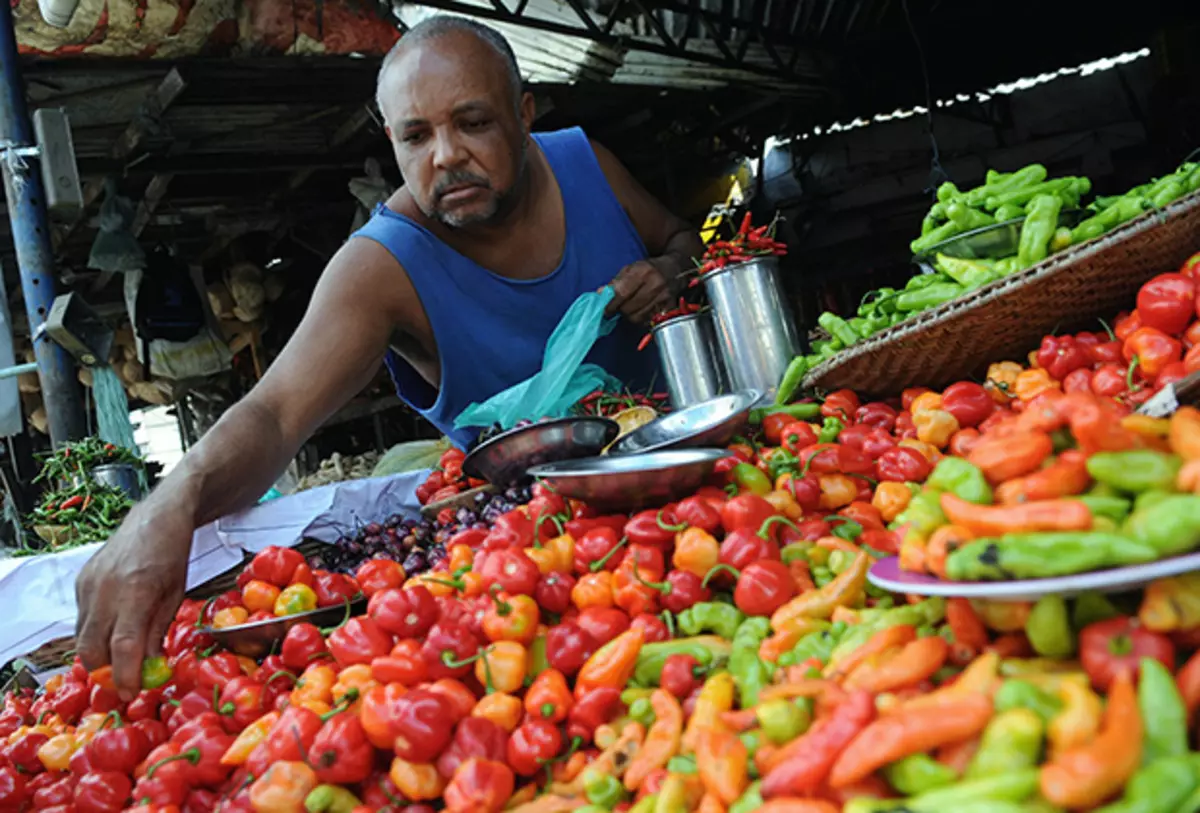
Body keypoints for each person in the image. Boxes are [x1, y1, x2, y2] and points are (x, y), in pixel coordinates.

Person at [74, 15, 704, 698]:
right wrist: (170, 503)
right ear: (392, 143)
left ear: (523, 115)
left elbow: (683, 239)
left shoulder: (587, 166)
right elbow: (276, 412)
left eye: (474, 122)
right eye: (416, 135)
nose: (447, 155)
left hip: (704, 491)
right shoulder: (383, 268)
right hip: (546, 577)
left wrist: (669, 271)